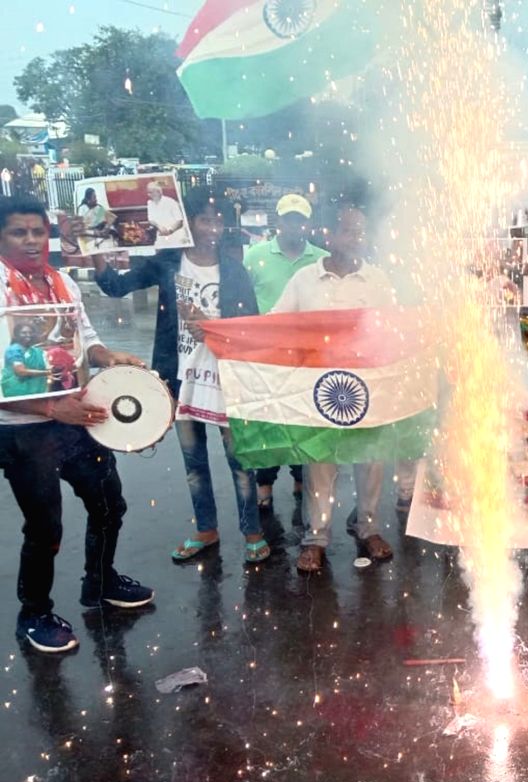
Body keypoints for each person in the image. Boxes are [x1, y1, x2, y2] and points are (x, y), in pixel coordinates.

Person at [0, 195, 153, 654]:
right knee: (45, 526)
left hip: (75, 418)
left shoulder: (63, 282)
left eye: (37, 231)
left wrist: (110, 357)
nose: (31, 240)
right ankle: (35, 613)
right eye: (18, 232)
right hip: (20, 430)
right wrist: (49, 410)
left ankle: (100, 582)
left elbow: (86, 340)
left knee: (109, 503)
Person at [93, 187, 268, 566]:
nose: (213, 227)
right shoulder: (167, 262)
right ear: (188, 222)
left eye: (219, 219)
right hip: (180, 378)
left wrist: (215, 329)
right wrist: (96, 249)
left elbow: (249, 325)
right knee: (194, 463)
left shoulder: (234, 268)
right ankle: (206, 529)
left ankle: (251, 530)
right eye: (205, 219)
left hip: (224, 380)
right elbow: (115, 286)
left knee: (240, 461)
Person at [272, 201, 396, 572]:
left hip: (368, 389)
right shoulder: (305, 280)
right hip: (320, 390)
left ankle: (368, 527)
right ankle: (316, 538)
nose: (356, 238)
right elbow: (275, 324)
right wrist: (229, 333)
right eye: (347, 230)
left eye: (361, 231)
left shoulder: (377, 280)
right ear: (328, 234)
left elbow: (396, 329)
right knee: (320, 463)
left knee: (371, 460)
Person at [243, 193, 329, 511]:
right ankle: (264, 485)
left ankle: (299, 480)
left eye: (300, 219)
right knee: (268, 421)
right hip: (267, 356)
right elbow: (242, 302)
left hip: (308, 358)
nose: (294, 226)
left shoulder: (322, 258)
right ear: (277, 221)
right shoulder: (255, 256)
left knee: (303, 420)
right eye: (288, 219)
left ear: (308, 223)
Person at [2, 322, 51, 397]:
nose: (28, 335)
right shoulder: (14, 350)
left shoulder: (35, 351)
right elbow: (20, 372)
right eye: (24, 333)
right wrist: (47, 373)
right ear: (17, 335)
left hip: (37, 392)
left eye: (30, 332)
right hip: (17, 393)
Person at [146, 181, 186, 248]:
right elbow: (151, 219)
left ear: (159, 192)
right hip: (161, 237)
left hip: (175, 236)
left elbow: (180, 221)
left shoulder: (171, 202)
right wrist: (159, 226)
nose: (148, 195)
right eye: (148, 193)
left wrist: (169, 230)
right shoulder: (150, 203)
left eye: (151, 192)